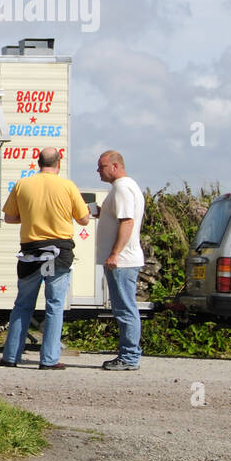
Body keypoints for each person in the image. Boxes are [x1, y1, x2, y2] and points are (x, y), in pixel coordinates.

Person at [0, 148, 90, 369]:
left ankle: (11, 357)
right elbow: (84, 219)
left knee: (22, 305)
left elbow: (9, 218)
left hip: (30, 253)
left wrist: (31, 217)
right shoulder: (68, 186)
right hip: (58, 254)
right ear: (58, 163)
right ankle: (48, 360)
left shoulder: (23, 184)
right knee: (54, 306)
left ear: (38, 163)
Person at [94, 150, 145, 371]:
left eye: (102, 167)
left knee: (125, 309)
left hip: (122, 261)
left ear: (115, 166)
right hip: (123, 260)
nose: (98, 171)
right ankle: (128, 354)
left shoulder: (122, 188)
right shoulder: (125, 187)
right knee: (124, 308)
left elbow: (127, 222)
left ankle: (129, 356)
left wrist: (115, 254)